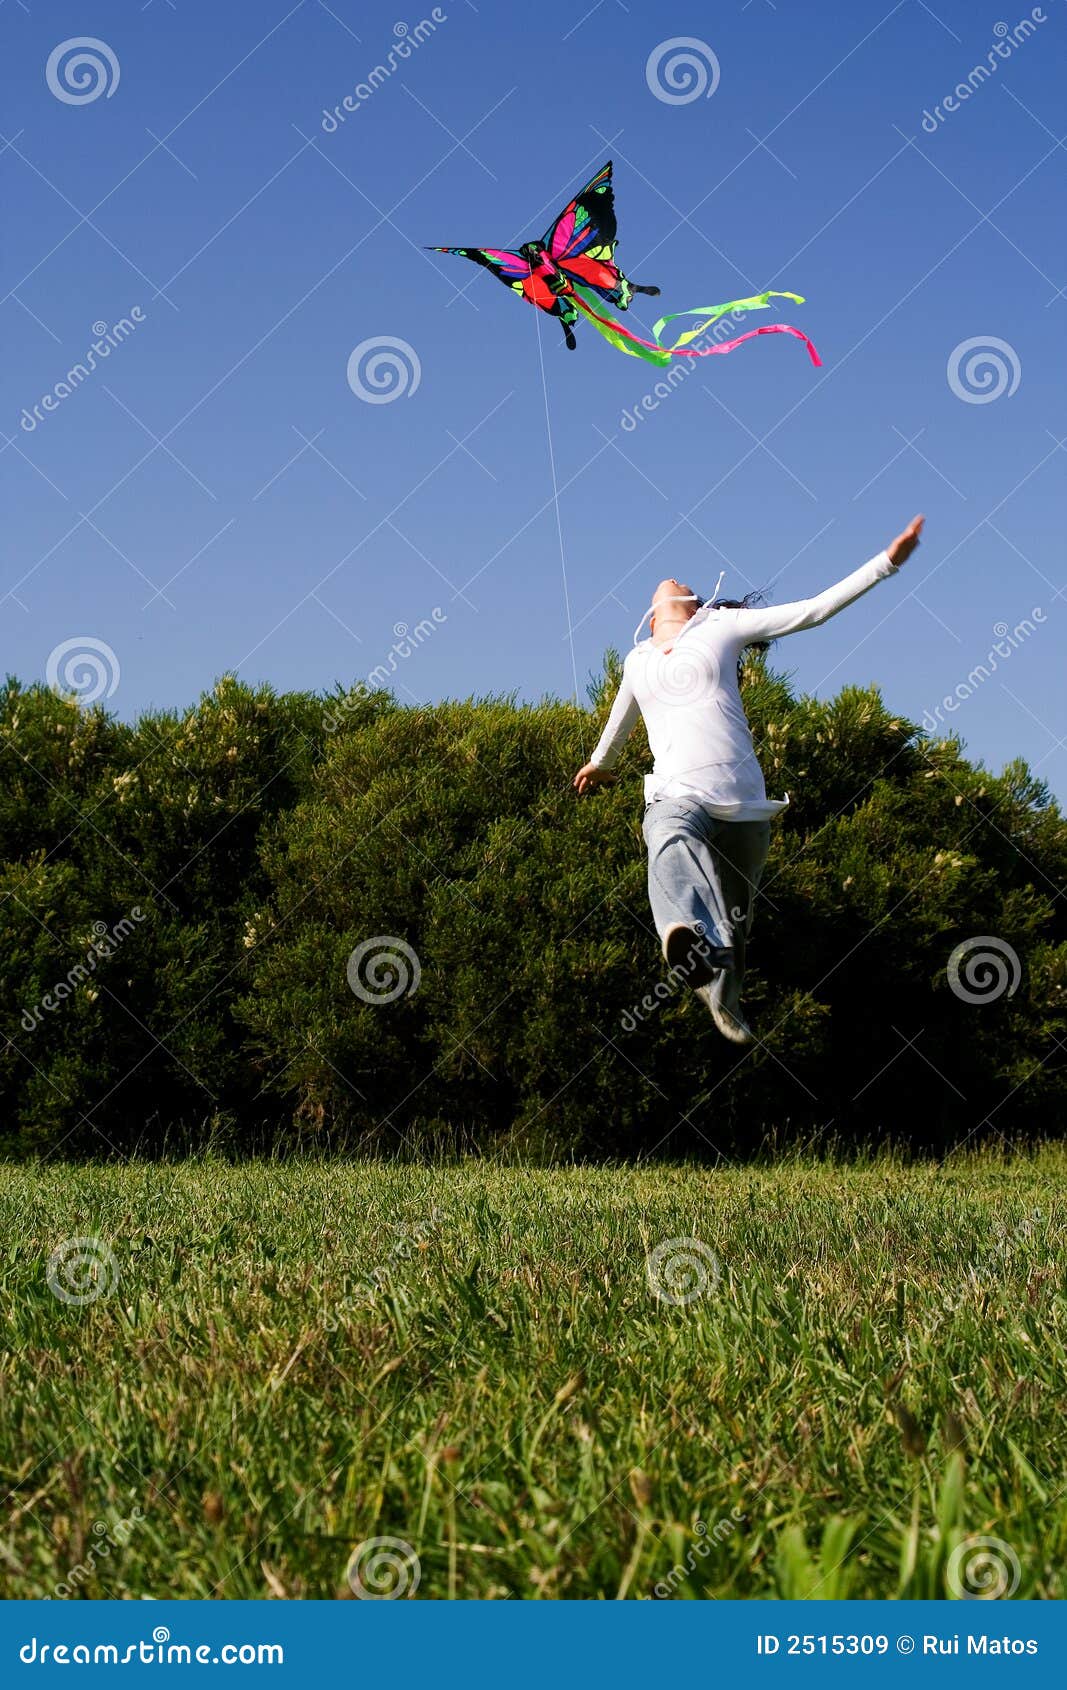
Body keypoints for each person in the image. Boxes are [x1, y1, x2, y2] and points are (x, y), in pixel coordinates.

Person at [573, 516, 925, 1044]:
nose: (671, 578)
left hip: (742, 802)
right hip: (678, 793)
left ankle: (724, 1000)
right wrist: (600, 764)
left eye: (681, 584)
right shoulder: (638, 660)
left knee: (737, 922)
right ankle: (685, 934)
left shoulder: (719, 628)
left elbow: (814, 611)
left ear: (696, 604)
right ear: (650, 620)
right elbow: (618, 727)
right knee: (664, 834)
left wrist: (885, 564)